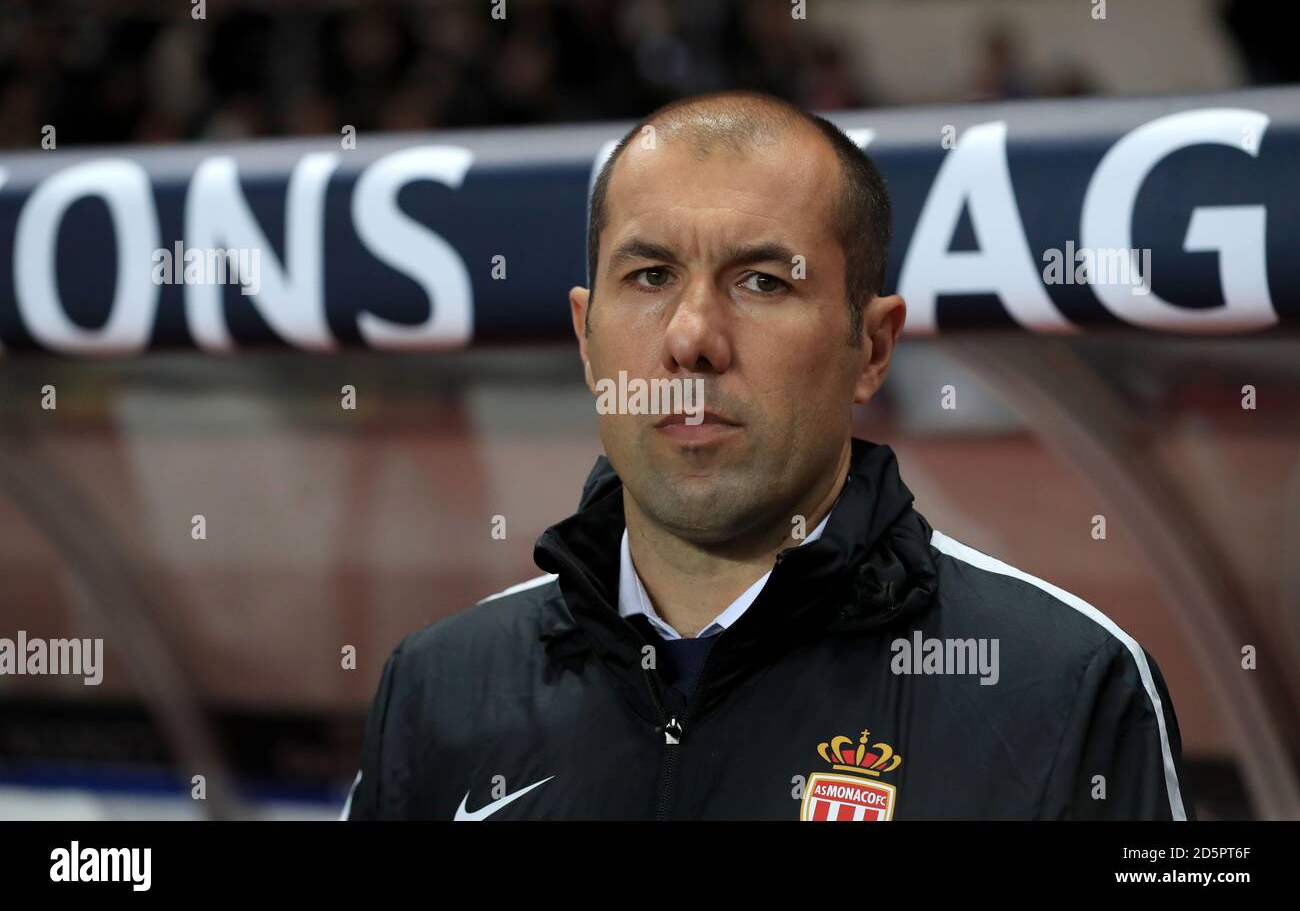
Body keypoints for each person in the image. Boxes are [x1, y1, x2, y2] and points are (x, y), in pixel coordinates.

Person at [345, 91, 1193, 821]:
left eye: (763, 281)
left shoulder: (1064, 689)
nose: (692, 338)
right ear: (585, 336)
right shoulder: (437, 688)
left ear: (870, 346)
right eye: (649, 276)